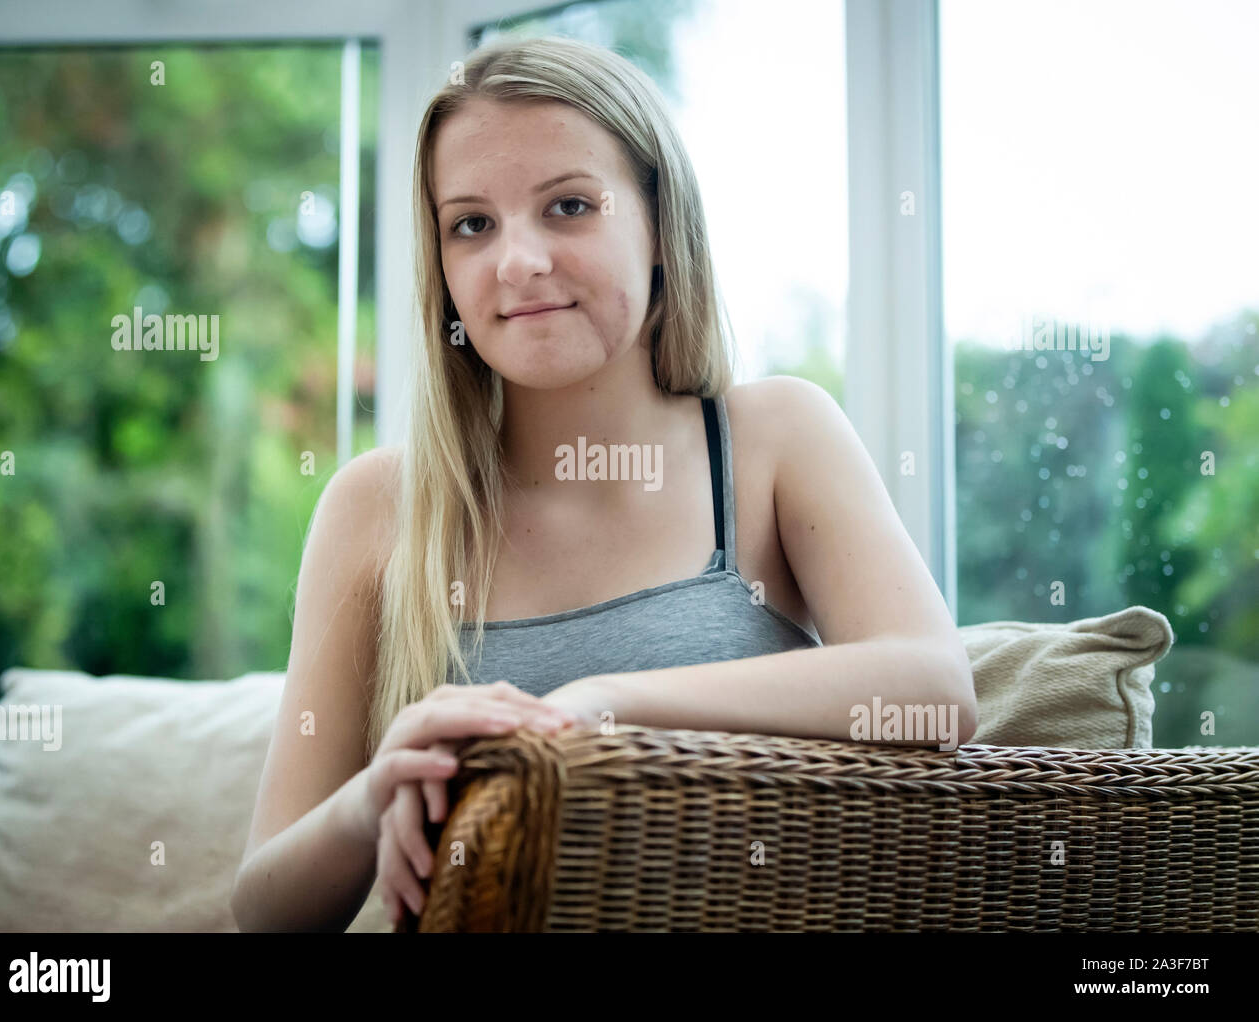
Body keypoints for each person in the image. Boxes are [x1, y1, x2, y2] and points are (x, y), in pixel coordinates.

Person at [231, 35, 977, 933]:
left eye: (569, 206)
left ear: (659, 227)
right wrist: (371, 797)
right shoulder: (376, 507)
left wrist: (595, 706)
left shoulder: (775, 437)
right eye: (472, 224)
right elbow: (265, 914)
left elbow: (934, 690)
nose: (518, 261)